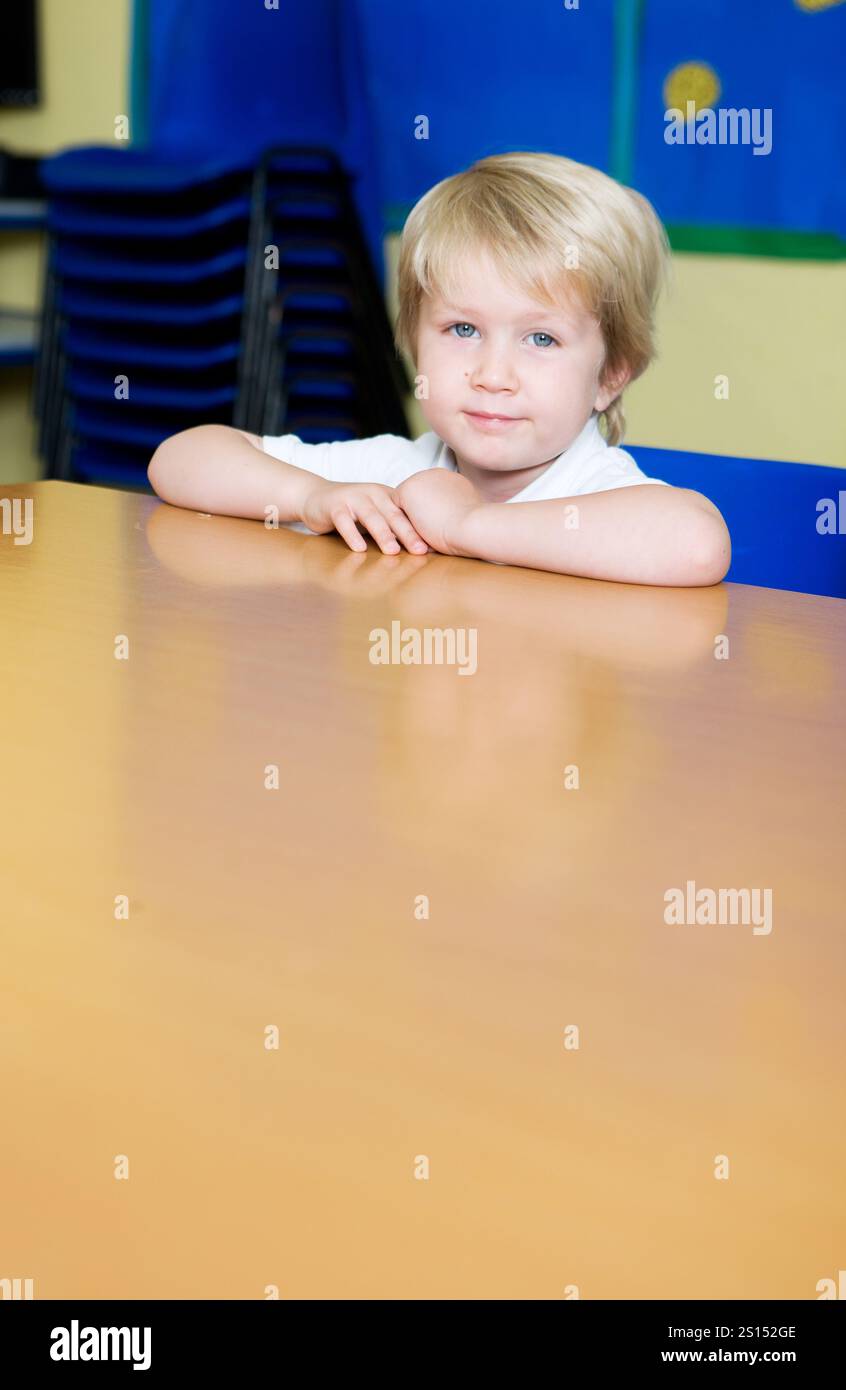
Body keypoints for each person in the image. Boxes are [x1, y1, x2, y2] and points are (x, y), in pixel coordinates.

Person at [148, 151, 730, 586]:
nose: (492, 374)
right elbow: (180, 459)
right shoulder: (393, 471)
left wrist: (466, 527)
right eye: (463, 330)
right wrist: (309, 498)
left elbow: (697, 543)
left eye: (541, 338)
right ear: (414, 343)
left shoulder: (594, 493)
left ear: (610, 376)